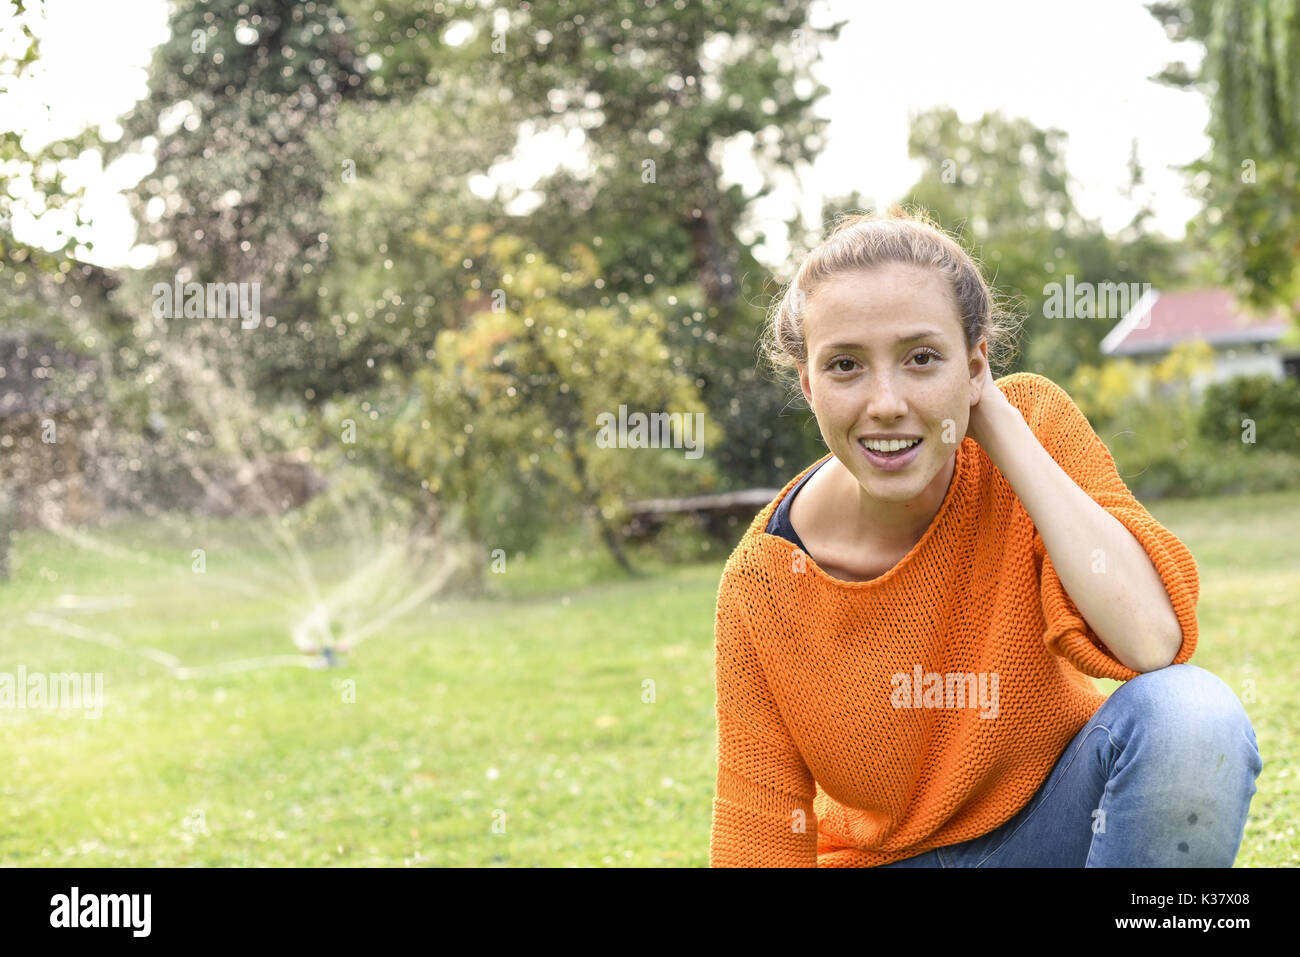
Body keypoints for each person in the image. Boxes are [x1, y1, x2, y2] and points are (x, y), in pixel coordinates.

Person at [708, 207, 1262, 867]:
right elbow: (759, 833)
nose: (885, 400)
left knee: (1193, 714)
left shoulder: (1031, 426)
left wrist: (998, 424)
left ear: (975, 366)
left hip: (1057, 827)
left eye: (922, 358)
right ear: (809, 384)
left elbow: (1150, 639)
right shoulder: (761, 584)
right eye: (846, 365)